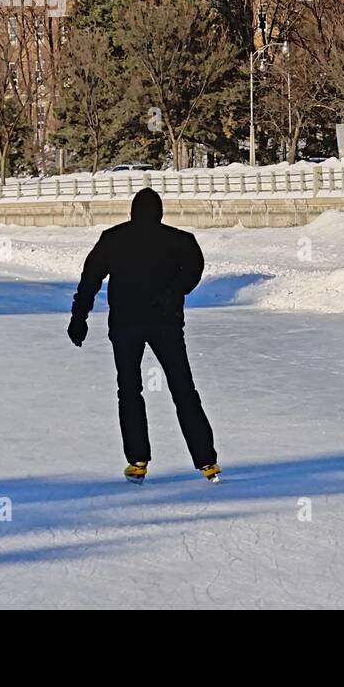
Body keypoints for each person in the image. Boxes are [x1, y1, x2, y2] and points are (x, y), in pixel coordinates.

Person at [67, 187, 220, 485]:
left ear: (133, 212)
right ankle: (206, 461)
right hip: (167, 324)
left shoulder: (113, 239)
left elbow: (90, 278)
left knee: (129, 390)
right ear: (160, 213)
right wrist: (173, 293)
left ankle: (137, 461)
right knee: (183, 389)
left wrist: (79, 317)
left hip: (125, 325)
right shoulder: (180, 241)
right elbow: (194, 268)